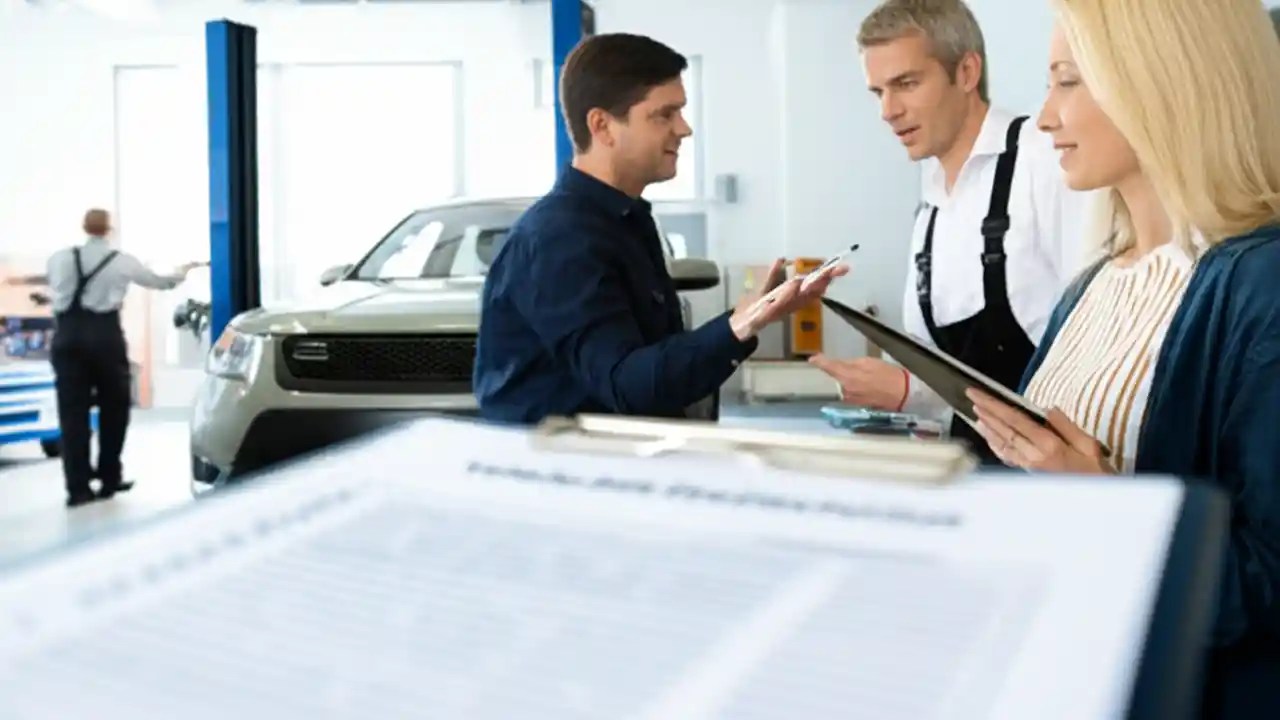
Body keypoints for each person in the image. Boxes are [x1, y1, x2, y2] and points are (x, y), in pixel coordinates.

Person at [964, 1, 1280, 716]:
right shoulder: (1093, 284)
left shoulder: (1261, 285)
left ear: (1162, 84)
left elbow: (1266, 582)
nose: (1045, 118)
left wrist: (1105, 506)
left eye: (1068, 81)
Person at [474, 33, 845, 424]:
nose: (684, 129)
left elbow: (657, 372)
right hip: (569, 460)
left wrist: (751, 315)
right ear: (602, 125)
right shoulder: (559, 240)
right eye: (664, 115)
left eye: (680, 112)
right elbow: (626, 385)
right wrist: (740, 325)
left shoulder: (627, 220)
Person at [808, 0, 1082, 463]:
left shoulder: (1044, 159)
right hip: (974, 474)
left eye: (906, 84)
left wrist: (908, 392)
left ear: (967, 72)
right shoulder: (930, 208)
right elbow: (942, 376)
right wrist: (902, 389)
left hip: (1059, 478)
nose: (888, 111)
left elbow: (1100, 347)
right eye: (878, 92)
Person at [5, 209, 202, 507]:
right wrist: (182, 271)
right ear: (109, 230)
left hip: (67, 337)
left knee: (72, 414)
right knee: (115, 408)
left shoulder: (59, 258)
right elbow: (158, 282)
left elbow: (59, 293)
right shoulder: (121, 261)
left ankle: (78, 488)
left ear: (84, 227)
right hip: (104, 337)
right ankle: (109, 478)